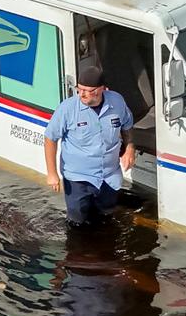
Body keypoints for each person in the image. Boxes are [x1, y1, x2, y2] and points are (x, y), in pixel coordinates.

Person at [43, 65, 135, 227]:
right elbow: (50, 138)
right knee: (77, 222)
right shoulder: (67, 109)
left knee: (106, 218)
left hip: (109, 176)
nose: (82, 94)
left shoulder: (117, 101)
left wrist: (129, 148)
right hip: (78, 178)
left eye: (88, 90)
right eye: (80, 89)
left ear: (102, 89)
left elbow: (127, 125)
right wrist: (52, 173)